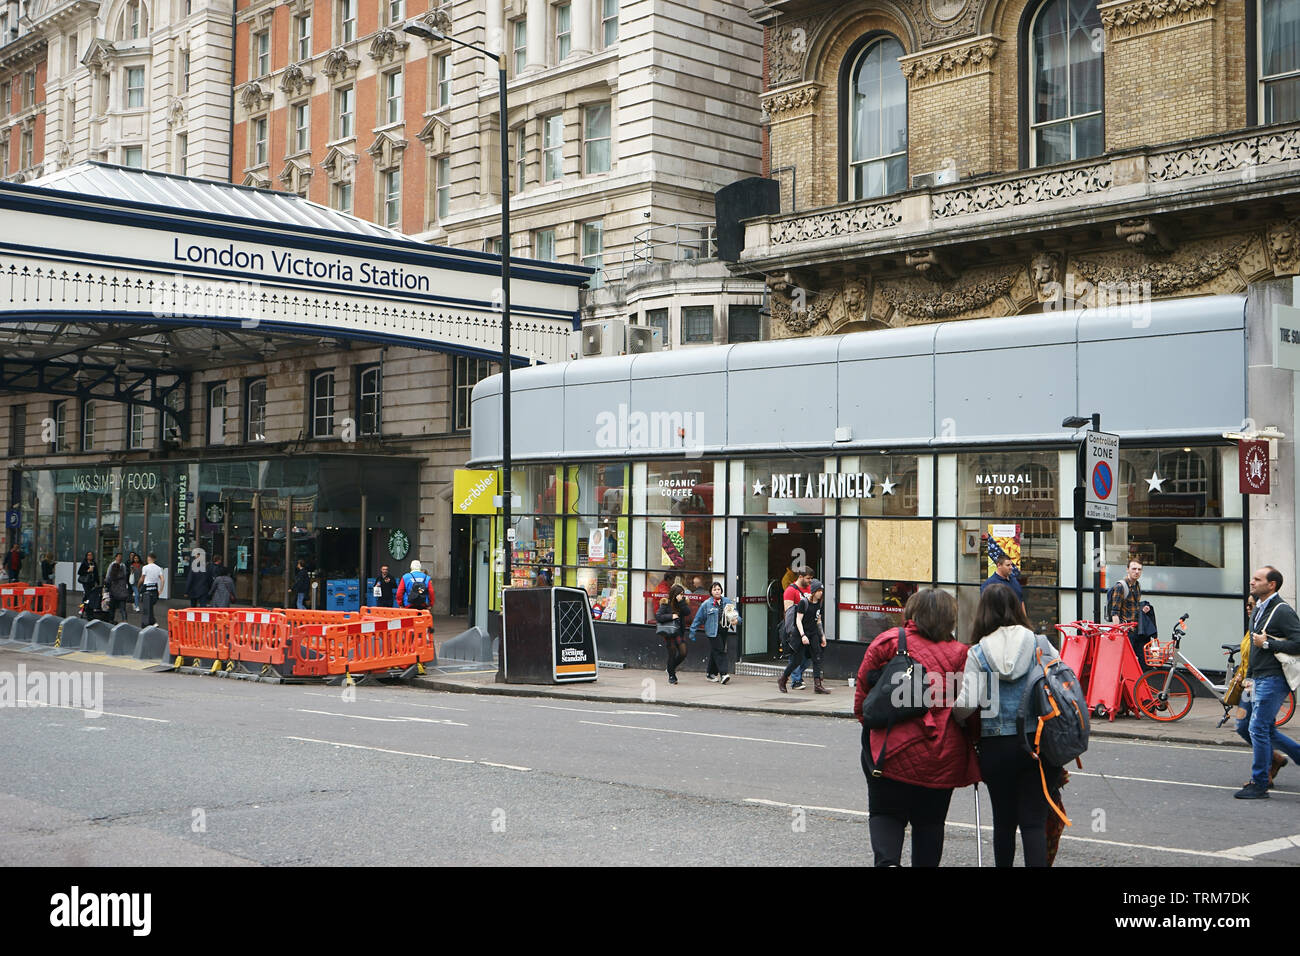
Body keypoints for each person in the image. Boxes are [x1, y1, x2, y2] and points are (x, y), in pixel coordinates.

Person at [854, 588, 978, 867]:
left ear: (912, 613)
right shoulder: (963, 655)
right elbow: (971, 710)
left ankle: (887, 863)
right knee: (930, 824)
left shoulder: (887, 642)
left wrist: (879, 732)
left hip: (890, 755)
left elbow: (863, 704)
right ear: (951, 619)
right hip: (942, 757)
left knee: (886, 814)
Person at [955, 582, 1059, 867]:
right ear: (1016, 608)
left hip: (996, 746)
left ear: (983, 613)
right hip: (1037, 744)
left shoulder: (977, 653)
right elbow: (1062, 685)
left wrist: (954, 717)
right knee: (1034, 823)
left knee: (1003, 822)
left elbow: (966, 704)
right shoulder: (1041, 643)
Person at [1236, 566, 1300, 799]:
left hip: (1273, 679)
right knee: (1243, 726)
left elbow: (1298, 643)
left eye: (1257, 579)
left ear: (1271, 585)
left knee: (1258, 728)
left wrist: (1269, 644)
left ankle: (1260, 783)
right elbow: (1253, 646)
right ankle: (1286, 757)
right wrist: (1248, 677)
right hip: (1255, 679)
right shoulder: (1257, 609)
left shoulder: (1282, 611)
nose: (1252, 582)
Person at [780, 578, 829, 693]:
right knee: (796, 661)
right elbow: (798, 620)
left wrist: (822, 635)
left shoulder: (819, 603)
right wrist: (803, 635)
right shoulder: (804, 602)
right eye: (819, 591)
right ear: (813, 591)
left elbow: (818, 620)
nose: (821, 593)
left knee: (817, 658)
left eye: (822, 591)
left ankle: (818, 685)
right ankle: (783, 679)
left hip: (813, 634)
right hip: (801, 634)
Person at [691, 581, 741, 685]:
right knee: (720, 651)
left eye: (718, 589)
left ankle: (710, 673)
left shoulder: (727, 601)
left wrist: (737, 620)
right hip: (712, 632)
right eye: (714, 589)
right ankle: (723, 674)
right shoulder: (706, 604)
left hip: (723, 630)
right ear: (711, 591)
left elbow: (735, 614)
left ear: (721, 590)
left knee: (716, 651)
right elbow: (698, 618)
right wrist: (692, 631)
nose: (717, 591)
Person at [1107, 559, 1146, 658]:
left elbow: (1134, 605)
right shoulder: (1120, 586)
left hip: (1136, 629)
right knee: (1126, 660)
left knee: (1142, 659)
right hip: (1126, 631)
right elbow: (1115, 612)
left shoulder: (1137, 585)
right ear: (1127, 570)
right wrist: (1118, 633)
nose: (1137, 572)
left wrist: (1142, 608)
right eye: (1134, 569)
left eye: (1139, 569)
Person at [782, 568, 813, 689]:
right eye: (808, 578)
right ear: (800, 577)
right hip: (796, 628)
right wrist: (791, 631)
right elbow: (789, 612)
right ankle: (795, 681)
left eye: (811, 578)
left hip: (809, 628)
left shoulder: (810, 589)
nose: (810, 581)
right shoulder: (790, 590)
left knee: (808, 657)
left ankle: (797, 675)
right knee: (795, 656)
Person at [656, 583, 690, 685]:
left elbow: (687, 612)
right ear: (674, 594)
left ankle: (670, 667)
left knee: (683, 652)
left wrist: (681, 602)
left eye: (682, 594)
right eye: (679, 594)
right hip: (670, 633)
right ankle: (672, 676)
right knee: (672, 654)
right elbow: (659, 616)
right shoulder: (666, 604)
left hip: (679, 632)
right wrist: (672, 616)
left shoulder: (682, 603)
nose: (681, 596)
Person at [139, 552, 164, 627]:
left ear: (149, 558)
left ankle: (149, 622)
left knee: (146, 607)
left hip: (147, 588)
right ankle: (152, 622)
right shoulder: (158, 568)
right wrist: (161, 590)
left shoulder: (145, 567)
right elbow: (162, 579)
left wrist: (138, 586)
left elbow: (142, 578)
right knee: (150, 606)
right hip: (154, 589)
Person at [105, 552, 132, 623]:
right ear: (116, 557)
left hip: (114, 594)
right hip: (122, 594)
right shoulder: (122, 574)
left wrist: (106, 587)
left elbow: (108, 578)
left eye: (121, 557)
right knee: (122, 608)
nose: (120, 558)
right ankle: (125, 620)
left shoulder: (112, 576)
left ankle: (111, 620)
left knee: (112, 608)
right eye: (119, 556)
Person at [77, 551, 100, 617]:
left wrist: (97, 582)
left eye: (91, 555)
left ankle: (84, 608)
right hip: (86, 582)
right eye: (89, 555)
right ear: (86, 556)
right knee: (88, 595)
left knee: (88, 597)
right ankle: (85, 609)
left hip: (92, 582)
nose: (90, 556)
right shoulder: (84, 563)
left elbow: (96, 573)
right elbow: (80, 572)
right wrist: (87, 570)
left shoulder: (94, 563)